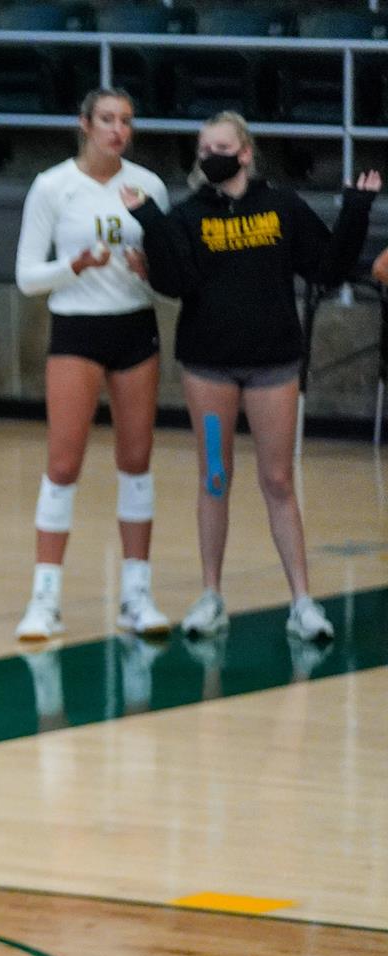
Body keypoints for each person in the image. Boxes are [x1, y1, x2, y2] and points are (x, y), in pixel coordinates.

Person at [123, 113, 380, 641]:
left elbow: (327, 268)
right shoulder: (188, 214)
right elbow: (177, 283)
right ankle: (212, 595)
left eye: (220, 146)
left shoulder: (281, 205)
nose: (209, 156)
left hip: (272, 366)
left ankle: (302, 603)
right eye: (203, 148)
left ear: (244, 153)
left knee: (278, 480)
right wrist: (149, 221)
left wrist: (356, 209)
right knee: (215, 476)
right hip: (209, 366)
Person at [12, 88, 172, 643]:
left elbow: (171, 271)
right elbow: (28, 277)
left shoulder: (148, 186)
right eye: (106, 119)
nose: (117, 130)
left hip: (134, 327)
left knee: (136, 459)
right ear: (84, 124)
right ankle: (44, 599)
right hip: (77, 328)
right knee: (63, 462)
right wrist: (73, 265)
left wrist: (149, 268)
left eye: (126, 121)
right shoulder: (54, 186)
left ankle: (137, 593)